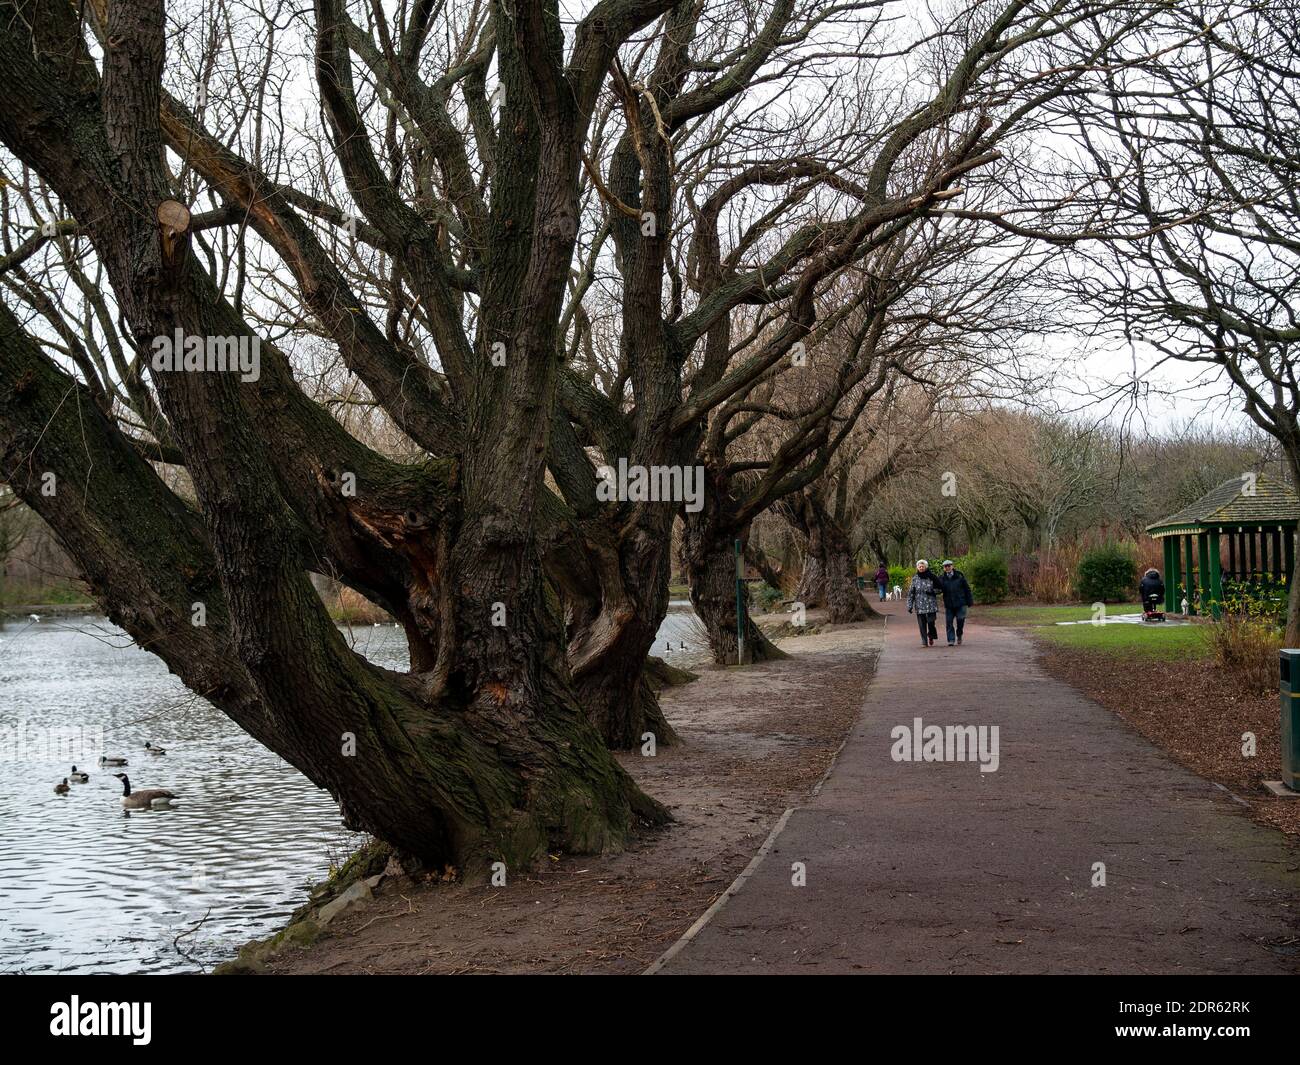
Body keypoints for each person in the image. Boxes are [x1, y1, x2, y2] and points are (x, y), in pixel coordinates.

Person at [938, 559, 974, 646]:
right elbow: (938, 589)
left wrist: (969, 601)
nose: (947, 568)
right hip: (949, 604)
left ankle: (959, 634)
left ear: (952, 566)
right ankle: (951, 640)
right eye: (945, 566)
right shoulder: (942, 578)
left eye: (949, 566)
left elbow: (967, 589)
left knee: (960, 620)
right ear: (944, 568)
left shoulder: (960, 576)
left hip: (961, 603)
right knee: (949, 622)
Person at [906, 559, 942, 647]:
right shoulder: (915, 579)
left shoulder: (932, 577)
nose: (921, 568)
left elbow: (940, 588)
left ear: (926, 567)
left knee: (931, 622)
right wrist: (909, 605)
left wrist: (933, 591)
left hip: (931, 604)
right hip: (919, 605)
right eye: (919, 566)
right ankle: (924, 641)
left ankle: (931, 635)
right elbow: (911, 593)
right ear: (917, 568)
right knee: (922, 624)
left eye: (923, 566)